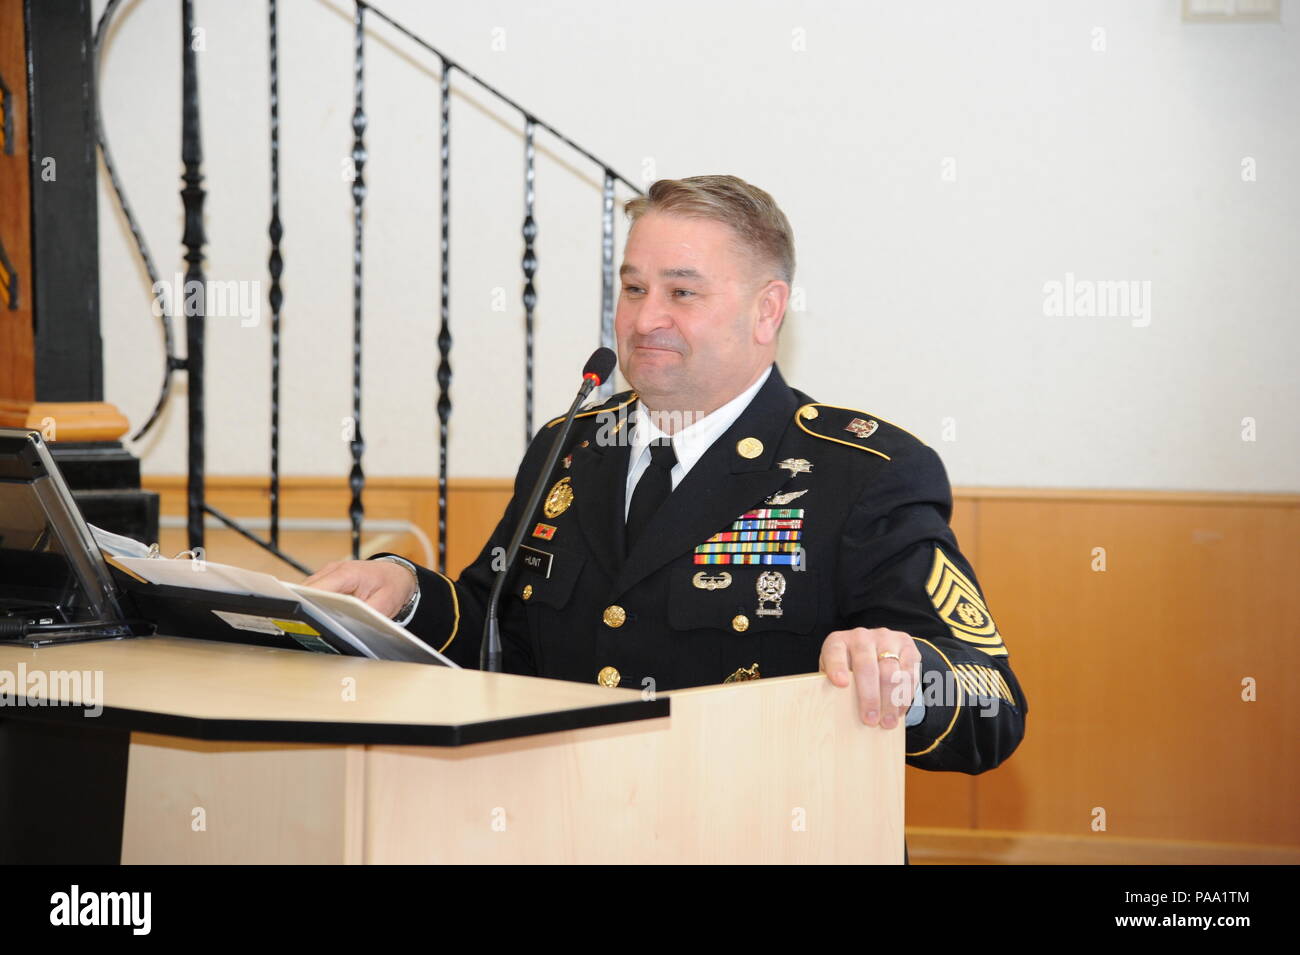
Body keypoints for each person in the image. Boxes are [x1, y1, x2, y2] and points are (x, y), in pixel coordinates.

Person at [305, 175, 1026, 774]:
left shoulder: (862, 473)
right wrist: (403, 594)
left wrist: (906, 672)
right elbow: (494, 631)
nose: (645, 318)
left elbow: (991, 701)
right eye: (632, 288)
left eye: (682, 293)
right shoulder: (570, 445)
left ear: (766, 311)